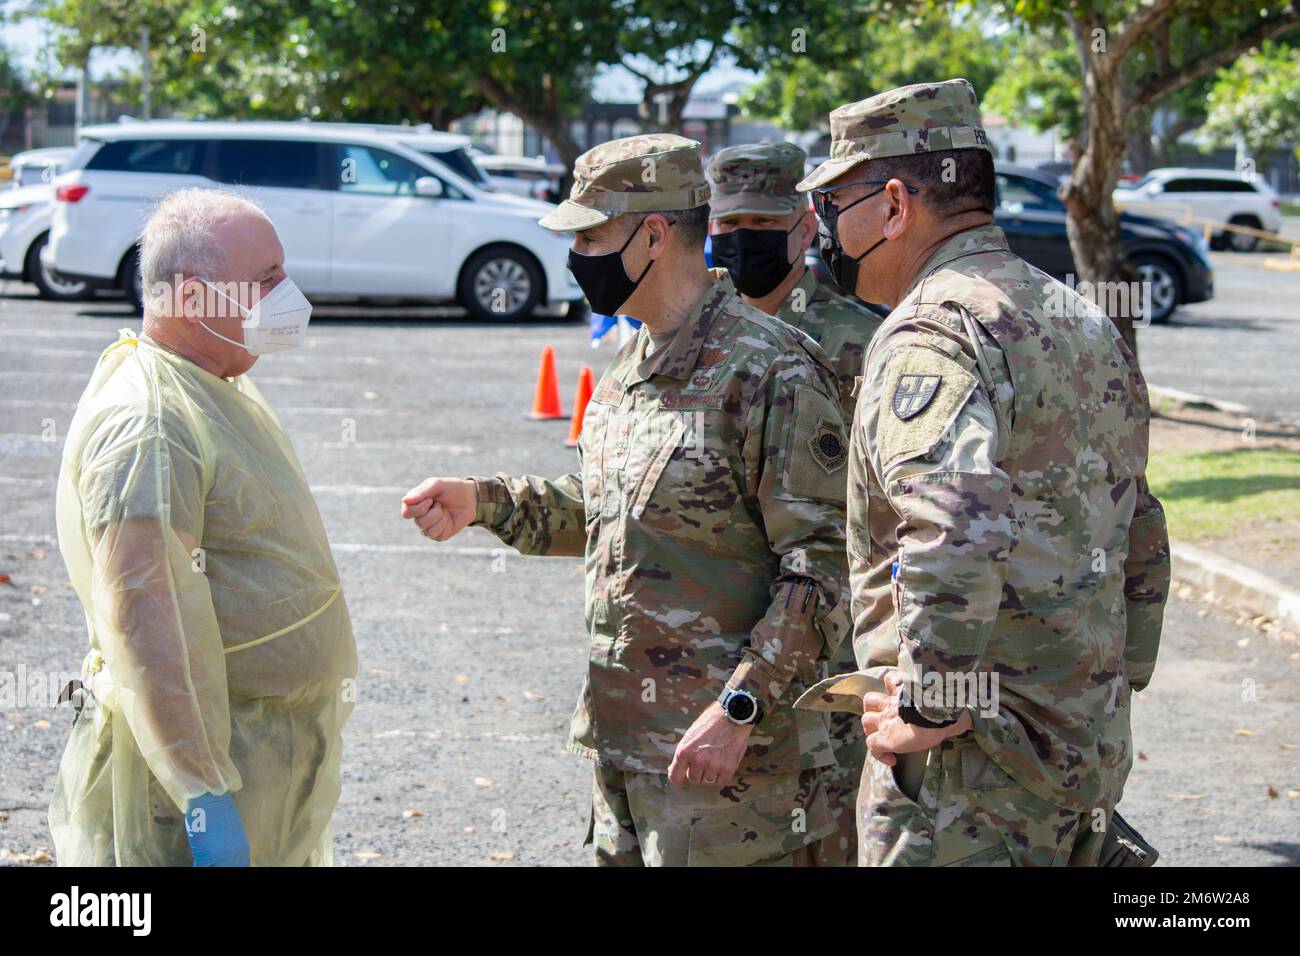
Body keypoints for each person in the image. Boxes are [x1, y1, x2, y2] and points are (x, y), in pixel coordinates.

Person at [402, 134, 852, 866]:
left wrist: (741, 706)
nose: (577, 256)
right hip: (626, 747)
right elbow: (605, 509)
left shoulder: (770, 371)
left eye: (590, 236)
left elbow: (823, 566)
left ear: (652, 234)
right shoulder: (632, 360)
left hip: (736, 772)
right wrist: (484, 501)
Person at [794, 79, 1171, 866]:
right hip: (1079, 754)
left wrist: (930, 705)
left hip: (972, 779)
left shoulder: (931, 333)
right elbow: (1141, 524)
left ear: (894, 204)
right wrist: (1111, 687)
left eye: (834, 203)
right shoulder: (1082, 319)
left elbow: (952, 522)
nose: (820, 226)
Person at [49, 188, 357, 866]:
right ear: (192, 299)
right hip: (198, 783)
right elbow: (147, 622)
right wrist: (201, 792)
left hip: (258, 756)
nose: (288, 296)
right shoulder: (150, 420)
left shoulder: (209, 380)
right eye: (265, 279)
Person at [706, 141, 885, 866]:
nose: (741, 239)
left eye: (762, 222)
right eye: (728, 224)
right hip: (716, 650)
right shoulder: (696, 340)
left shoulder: (864, 341)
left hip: (828, 660)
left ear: (807, 228)